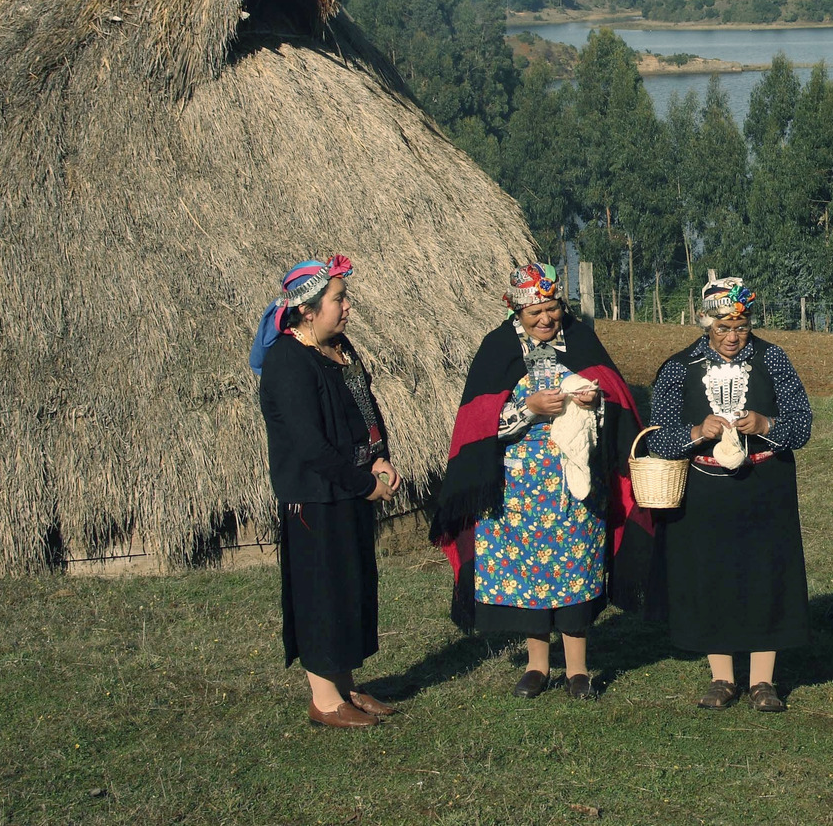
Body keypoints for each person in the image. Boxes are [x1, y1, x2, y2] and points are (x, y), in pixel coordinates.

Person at [430, 263, 647, 699]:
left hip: (575, 484)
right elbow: (480, 426)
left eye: (552, 309)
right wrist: (529, 409)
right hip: (517, 490)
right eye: (535, 313)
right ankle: (538, 665)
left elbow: (614, 404)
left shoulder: (581, 341)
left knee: (576, 568)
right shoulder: (497, 349)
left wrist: (593, 401)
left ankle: (578, 670)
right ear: (516, 311)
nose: (546, 319)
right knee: (528, 571)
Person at [648, 276, 812, 712]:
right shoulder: (679, 367)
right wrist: (695, 432)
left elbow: (802, 424)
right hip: (705, 490)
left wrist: (767, 424)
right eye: (723, 328)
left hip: (766, 487)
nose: (733, 337)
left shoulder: (773, 360)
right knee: (711, 574)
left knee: (765, 574)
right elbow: (658, 437)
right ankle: (722, 678)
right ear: (706, 323)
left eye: (741, 327)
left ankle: (763, 682)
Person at [252, 256, 402, 729]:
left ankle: (346, 684)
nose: (348, 306)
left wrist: (379, 457)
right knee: (322, 592)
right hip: (316, 497)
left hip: (350, 489)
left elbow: (364, 407)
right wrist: (364, 483)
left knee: (350, 587)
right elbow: (310, 445)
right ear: (308, 310)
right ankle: (324, 699)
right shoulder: (287, 362)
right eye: (339, 299)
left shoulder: (340, 349)